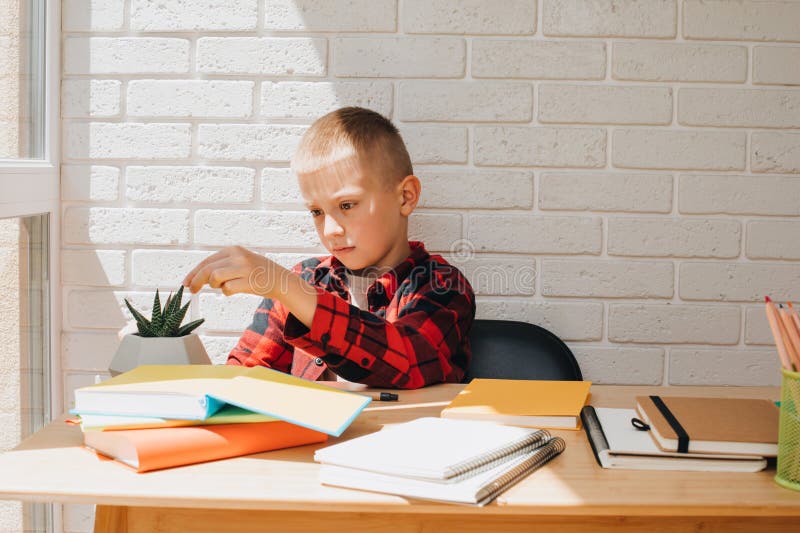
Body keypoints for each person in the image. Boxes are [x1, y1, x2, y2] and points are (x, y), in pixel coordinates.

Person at [182, 107, 475, 389]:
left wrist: (288, 288)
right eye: (316, 212)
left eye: (347, 205)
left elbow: (408, 360)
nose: (331, 230)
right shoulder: (304, 279)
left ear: (405, 197)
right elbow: (244, 377)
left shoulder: (441, 285)